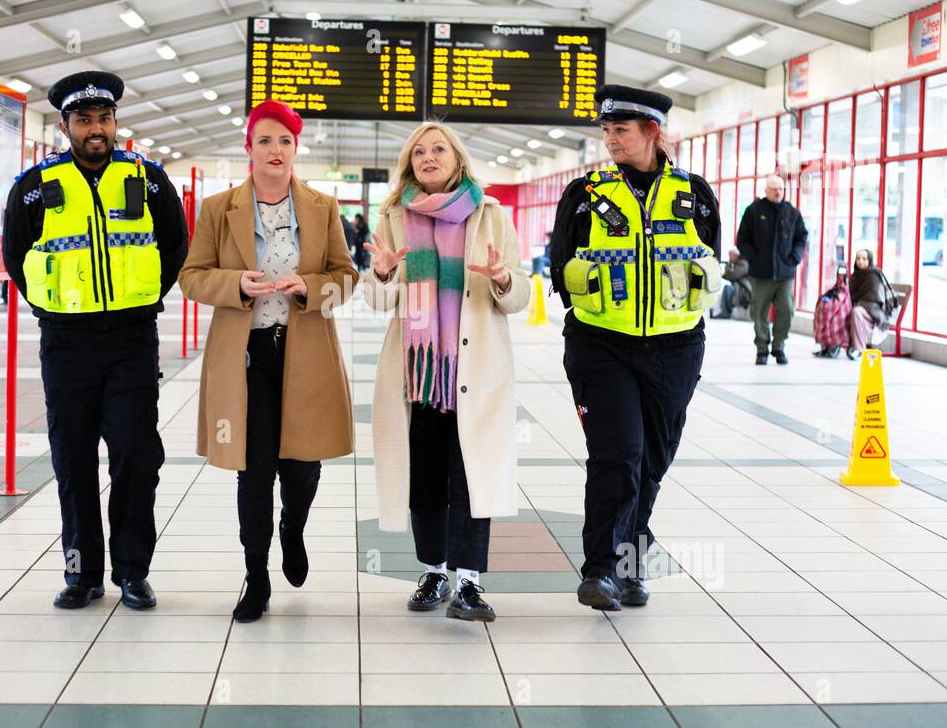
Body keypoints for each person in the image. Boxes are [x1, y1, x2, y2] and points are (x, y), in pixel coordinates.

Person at [2, 71, 188, 611]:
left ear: (115, 123)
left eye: (104, 119)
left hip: (132, 339)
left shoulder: (148, 180)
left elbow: (175, 245)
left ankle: (133, 571)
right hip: (66, 342)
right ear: (66, 126)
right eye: (84, 121)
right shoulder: (34, 186)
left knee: (135, 455)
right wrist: (51, 307)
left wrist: (147, 294)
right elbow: (17, 257)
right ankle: (82, 574)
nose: (96, 129)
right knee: (73, 460)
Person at [178, 100, 357, 623]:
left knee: (302, 467)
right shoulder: (218, 209)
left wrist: (312, 287)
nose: (275, 151)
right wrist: (233, 284)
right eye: (265, 141)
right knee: (253, 472)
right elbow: (191, 276)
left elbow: (346, 277)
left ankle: (293, 529)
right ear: (248, 148)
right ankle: (256, 576)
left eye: (285, 141)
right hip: (245, 355)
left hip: (305, 353)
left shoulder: (323, 207)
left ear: (295, 149)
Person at [549, 85, 721, 612]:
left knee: (651, 462)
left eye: (620, 131)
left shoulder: (695, 193)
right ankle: (600, 570)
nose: (610, 140)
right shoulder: (583, 194)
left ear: (653, 132)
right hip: (600, 345)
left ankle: (630, 564)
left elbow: (711, 260)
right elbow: (558, 268)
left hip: (676, 347)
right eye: (605, 131)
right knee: (617, 455)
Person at [364, 122, 529, 623]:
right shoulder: (393, 216)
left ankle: (471, 583)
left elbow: (519, 296)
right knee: (427, 478)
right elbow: (376, 300)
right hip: (418, 375)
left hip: (475, 367)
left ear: (457, 160)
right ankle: (435, 571)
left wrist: (502, 278)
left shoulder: (490, 215)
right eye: (419, 152)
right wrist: (385, 274)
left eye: (439, 150)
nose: (428, 157)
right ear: (409, 164)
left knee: (472, 476)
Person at [735, 174, 808, 365]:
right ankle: (761, 349)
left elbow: (802, 238)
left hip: (785, 273)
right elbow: (742, 239)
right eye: (775, 188)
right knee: (759, 312)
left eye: (781, 189)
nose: (778, 192)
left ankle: (779, 347)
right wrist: (754, 257)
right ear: (766, 190)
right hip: (761, 273)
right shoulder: (754, 211)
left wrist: (794, 258)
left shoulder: (791, 212)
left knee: (786, 309)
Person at [847, 249, 895, 360]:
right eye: (858, 258)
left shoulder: (873, 275)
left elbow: (873, 298)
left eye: (864, 259)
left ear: (870, 260)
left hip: (873, 312)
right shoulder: (855, 276)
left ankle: (859, 350)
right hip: (861, 309)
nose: (860, 261)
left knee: (856, 312)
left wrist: (858, 304)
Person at [812, 265, 851, 358]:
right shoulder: (836, 287)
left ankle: (832, 344)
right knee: (823, 307)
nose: (840, 276)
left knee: (832, 310)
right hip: (836, 297)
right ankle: (826, 345)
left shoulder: (847, 287)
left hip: (842, 303)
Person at [709, 248, 752, 320]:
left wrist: (729, 264)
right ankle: (720, 311)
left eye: (730, 255)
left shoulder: (743, 263)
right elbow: (727, 275)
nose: (729, 257)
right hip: (740, 288)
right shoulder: (738, 263)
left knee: (727, 288)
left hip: (744, 290)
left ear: (736, 255)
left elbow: (731, 276)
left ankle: (725, 313)